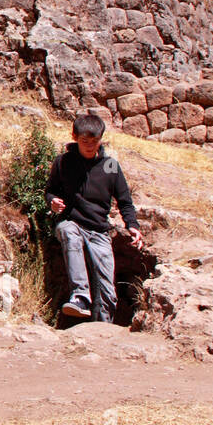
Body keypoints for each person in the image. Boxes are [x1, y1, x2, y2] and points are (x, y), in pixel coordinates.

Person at [43, 112, 145, 322]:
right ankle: (80, 297)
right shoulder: (64, 162)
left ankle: (102, 328)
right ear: (74, 137)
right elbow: (50, 190)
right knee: (68, 232)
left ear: (101, 139)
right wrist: (52, 201)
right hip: (72, 223)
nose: (90, 146)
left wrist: (132, 225)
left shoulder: (110, 166)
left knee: (108, 291)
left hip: (99, 231)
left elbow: (125, 200)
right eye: (84, 141)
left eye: (95, 141)